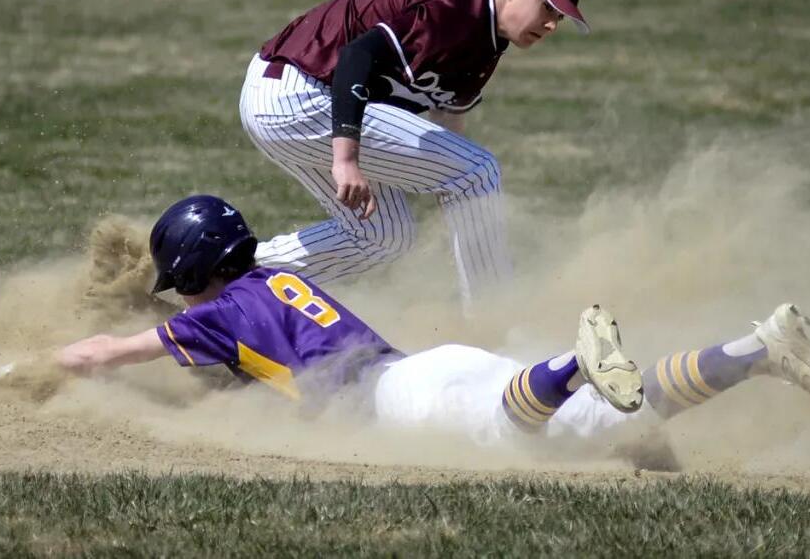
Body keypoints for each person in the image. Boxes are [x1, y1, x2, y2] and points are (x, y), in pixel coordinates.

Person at [51, 196, 810, 460]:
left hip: (398, 400)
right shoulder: (278, 279)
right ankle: (756, 347)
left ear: (191, 275)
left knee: (514, 433)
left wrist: (48, 365)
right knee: (604, 423)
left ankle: (573, 362)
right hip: (427, 366)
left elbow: (107, 351)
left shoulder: (217, 314)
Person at [239, 0, 591, 305]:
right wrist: (346, 160)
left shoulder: (486, 37)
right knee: (478, 171)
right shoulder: (453, 13)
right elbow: (356, 55)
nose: (551, 24)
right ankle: (497, 331)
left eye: (561, 16)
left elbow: (447, 119)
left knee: (385, 236)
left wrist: (457, 199)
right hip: (296, 95)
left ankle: (226, 277)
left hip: (299, 99)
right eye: (547, 7)